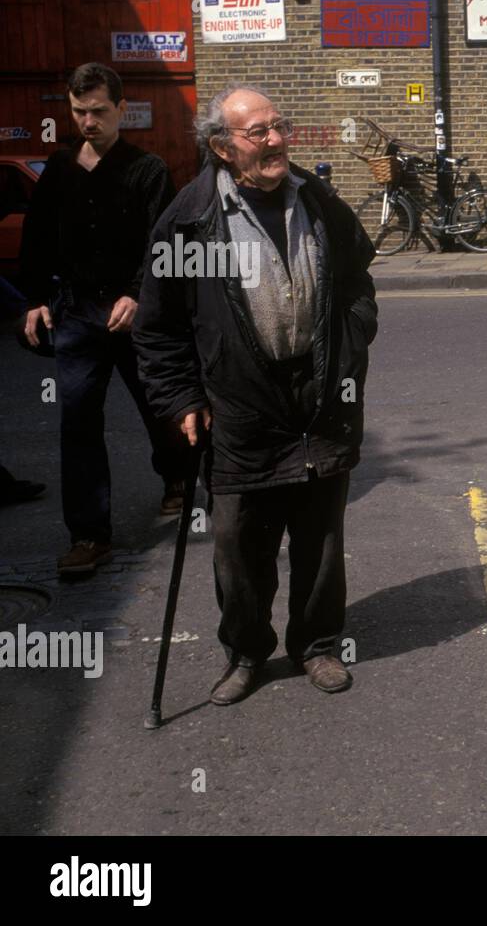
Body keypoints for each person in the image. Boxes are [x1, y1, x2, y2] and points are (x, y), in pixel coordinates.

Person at [133, 85, 378, 705]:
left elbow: (356, 281)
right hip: (239, 400)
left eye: (279, 127)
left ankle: (317, 645)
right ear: (222, 146)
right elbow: (158, 327)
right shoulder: (188, 220)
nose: (275, 141)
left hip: (318, 391)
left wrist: (347, 350)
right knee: (239, 543)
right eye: (257, 132)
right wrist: (182, 397)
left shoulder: (317, 199)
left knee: (321, 534)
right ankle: (245, 651)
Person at [16, 62, 186, 577]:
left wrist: (137, 295)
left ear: (120, 109)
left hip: (136, 316)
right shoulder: (59, 170)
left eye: (98, 111)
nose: (88, 121)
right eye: (78, 111)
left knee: (158, 406)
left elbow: (166, 243)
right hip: (78, 317)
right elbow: (37, 239)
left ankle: (177, 477)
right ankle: (89, 536)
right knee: (78, 423)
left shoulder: (147, 170)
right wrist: (35, 298)